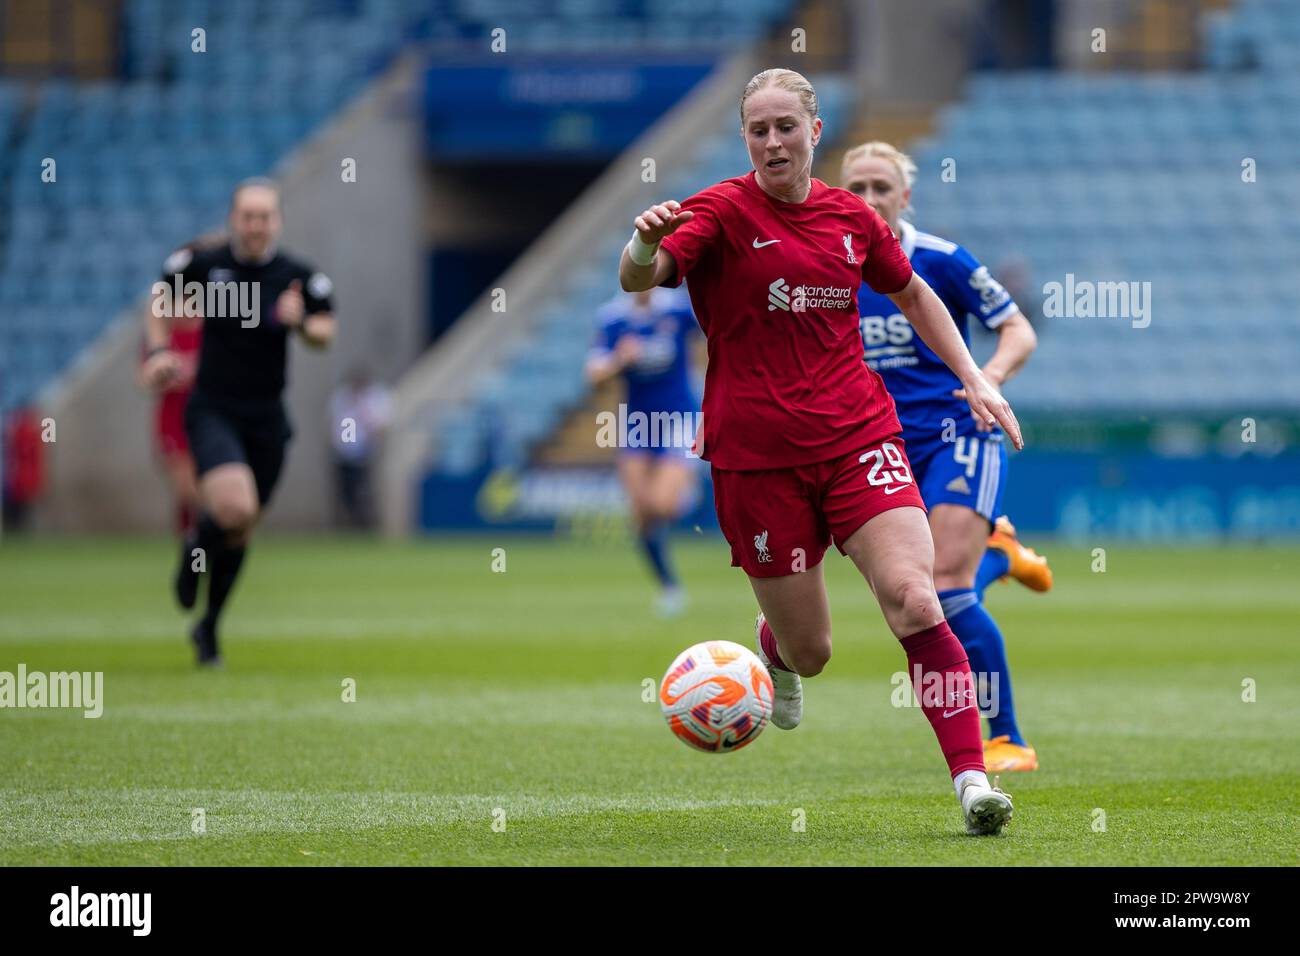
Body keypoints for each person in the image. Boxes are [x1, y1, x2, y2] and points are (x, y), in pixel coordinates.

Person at [619, 68, 1022, 835]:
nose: (772, 141)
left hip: (858, 437)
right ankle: (776, 651)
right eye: (758, 129)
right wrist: (642, 244)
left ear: (813, 132)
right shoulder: (719, 212)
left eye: (785, 127)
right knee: (813, 653)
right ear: (746, 138)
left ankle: (973, 783)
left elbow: (912, 295)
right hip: (755, 457)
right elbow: (644, 273)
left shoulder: (849, 218)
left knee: (915, 597)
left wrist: (974, 375)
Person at [841, 141, 1050, 773]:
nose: (870, 200)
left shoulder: (940, 259)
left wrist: (986, 378)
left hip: (961, 432)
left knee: (944, 587)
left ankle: (1009, 738)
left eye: (882, 188)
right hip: (878, 446)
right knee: (916, 597)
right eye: (857, 189)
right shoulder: (824, 270)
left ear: (904, 196)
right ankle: (998, 556)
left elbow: (1019, 329)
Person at [141, 178, 335, 666]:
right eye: (248, 216)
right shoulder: (206, 267)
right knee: (234, 506)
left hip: (268, 417)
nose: (256, 225)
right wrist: (161, 350)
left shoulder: (298, 278)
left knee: (241, 528)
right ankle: (192, 553)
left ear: (278, 221)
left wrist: (299, 323)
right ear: (233, 218)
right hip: (214, 408)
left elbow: (324, 332)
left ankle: (208, 627)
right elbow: (158, 302)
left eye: (264, 216)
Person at [586, 288, 702, 616]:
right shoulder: (613, 318)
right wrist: (619, 360)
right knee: (641, 513)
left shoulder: (678, 310)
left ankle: (683, 492)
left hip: (679, 416)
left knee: (662, 505)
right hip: (639, 422)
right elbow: (594, 375)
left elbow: (714, 334)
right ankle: (669, 587)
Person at [328, 365, 391, 530]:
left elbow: (378, 426)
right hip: (343, 453)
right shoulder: (341, 398)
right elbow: (335, 424)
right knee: (345, 492)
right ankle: (348, 524)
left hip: (364, 454)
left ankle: (364, 524)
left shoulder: (374, 399)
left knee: (363, 491)